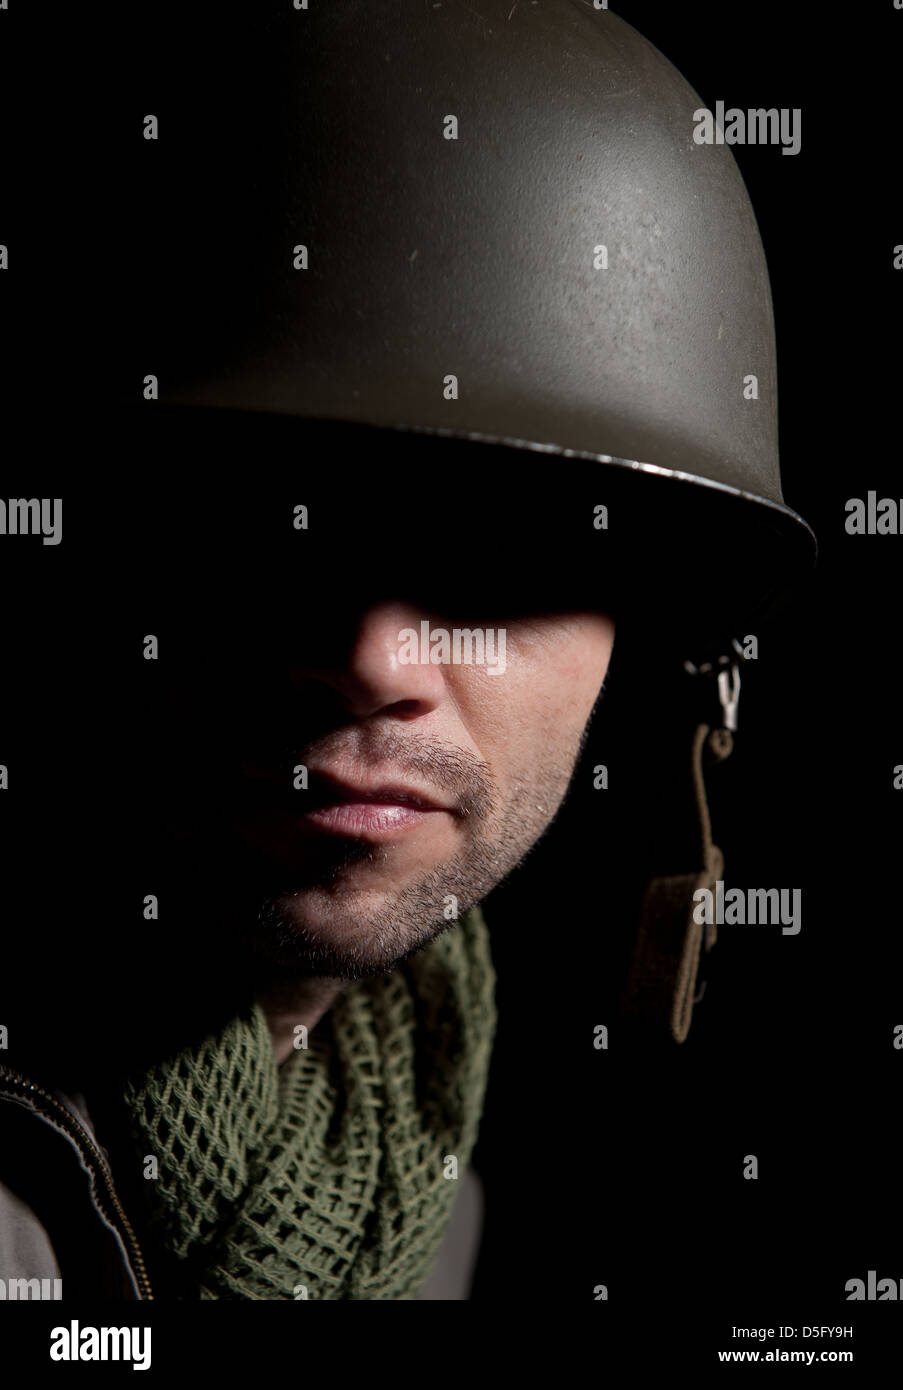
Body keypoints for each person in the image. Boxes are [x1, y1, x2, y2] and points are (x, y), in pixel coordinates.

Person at [0, 1, 815, 1301]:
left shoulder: (425, 1206)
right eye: (278, 519)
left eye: (504, 555)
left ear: (658, 655)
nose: (378, 653)